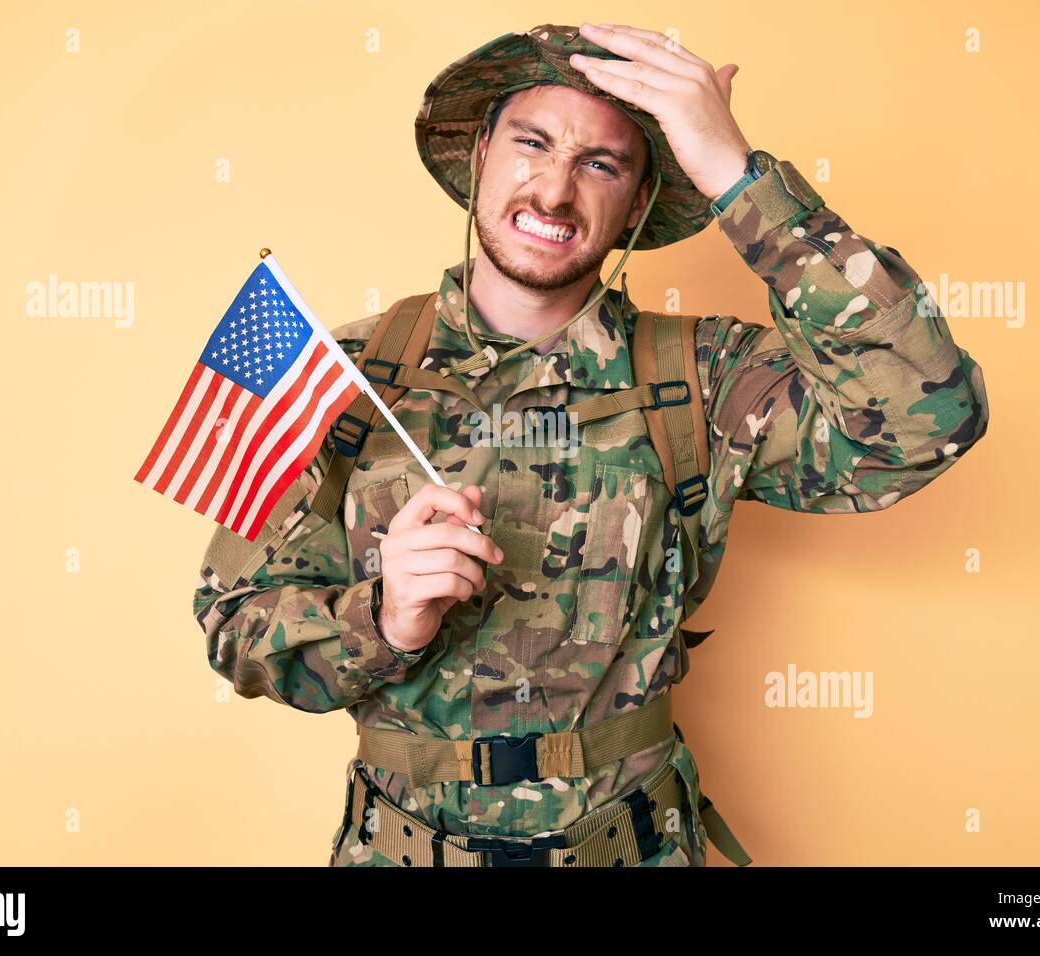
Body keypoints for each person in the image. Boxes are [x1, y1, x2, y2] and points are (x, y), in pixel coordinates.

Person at [193, 22, 989, 867]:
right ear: (480, 158)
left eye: (601, 163)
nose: (554, 192)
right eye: (532, 144)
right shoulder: (343, 374)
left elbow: (925, 418)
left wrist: (737, 178)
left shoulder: (702, 378)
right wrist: (383, 621)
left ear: (638, 202)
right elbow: (237, 634)